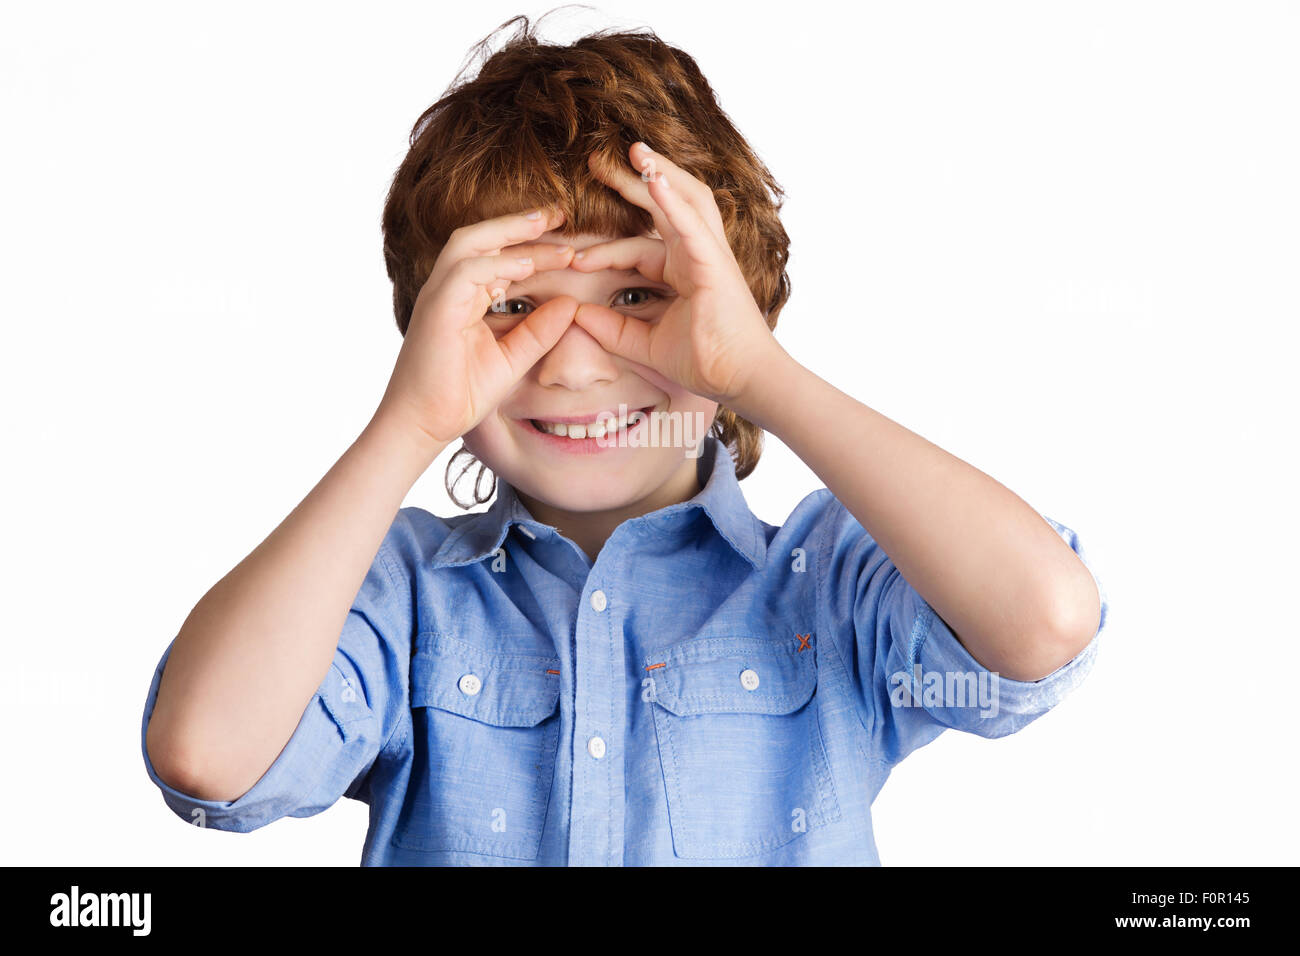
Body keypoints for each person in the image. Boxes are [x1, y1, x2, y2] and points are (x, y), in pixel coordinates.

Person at [140, 15, 1107, 865]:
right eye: (513, 306)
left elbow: (1045, 624)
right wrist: (410, 422)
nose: (570, 366)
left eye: (636, 297)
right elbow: (208, 757)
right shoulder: (404, 596)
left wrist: (759, 374)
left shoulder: (826, 583)